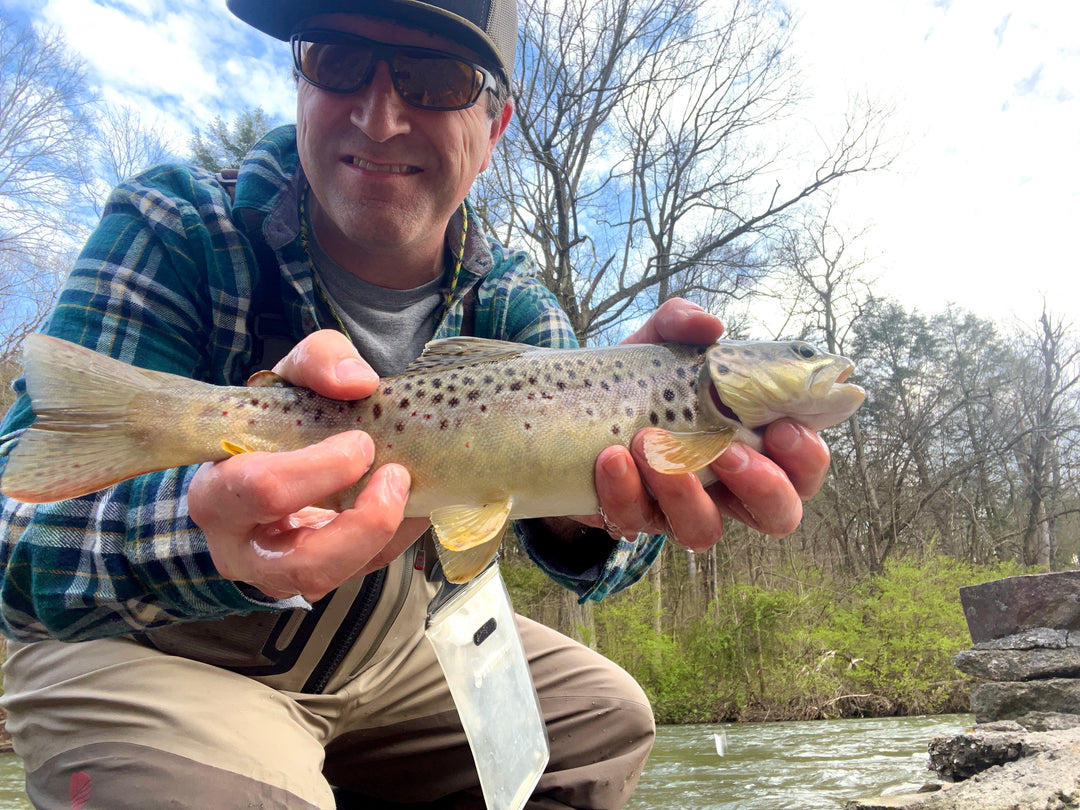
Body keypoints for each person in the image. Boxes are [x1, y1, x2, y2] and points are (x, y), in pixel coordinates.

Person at [0, 0, 831, 807]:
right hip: (146, 649)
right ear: (299, 80)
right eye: (337, 59)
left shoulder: (515, 304)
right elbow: (11, 539)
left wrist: (590, 507)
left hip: (382, 652)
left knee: (604, 723)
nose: (379, 116)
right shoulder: (178, 224)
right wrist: (209, 533)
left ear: (494, 133)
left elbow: (608, 556)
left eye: (435, 79)